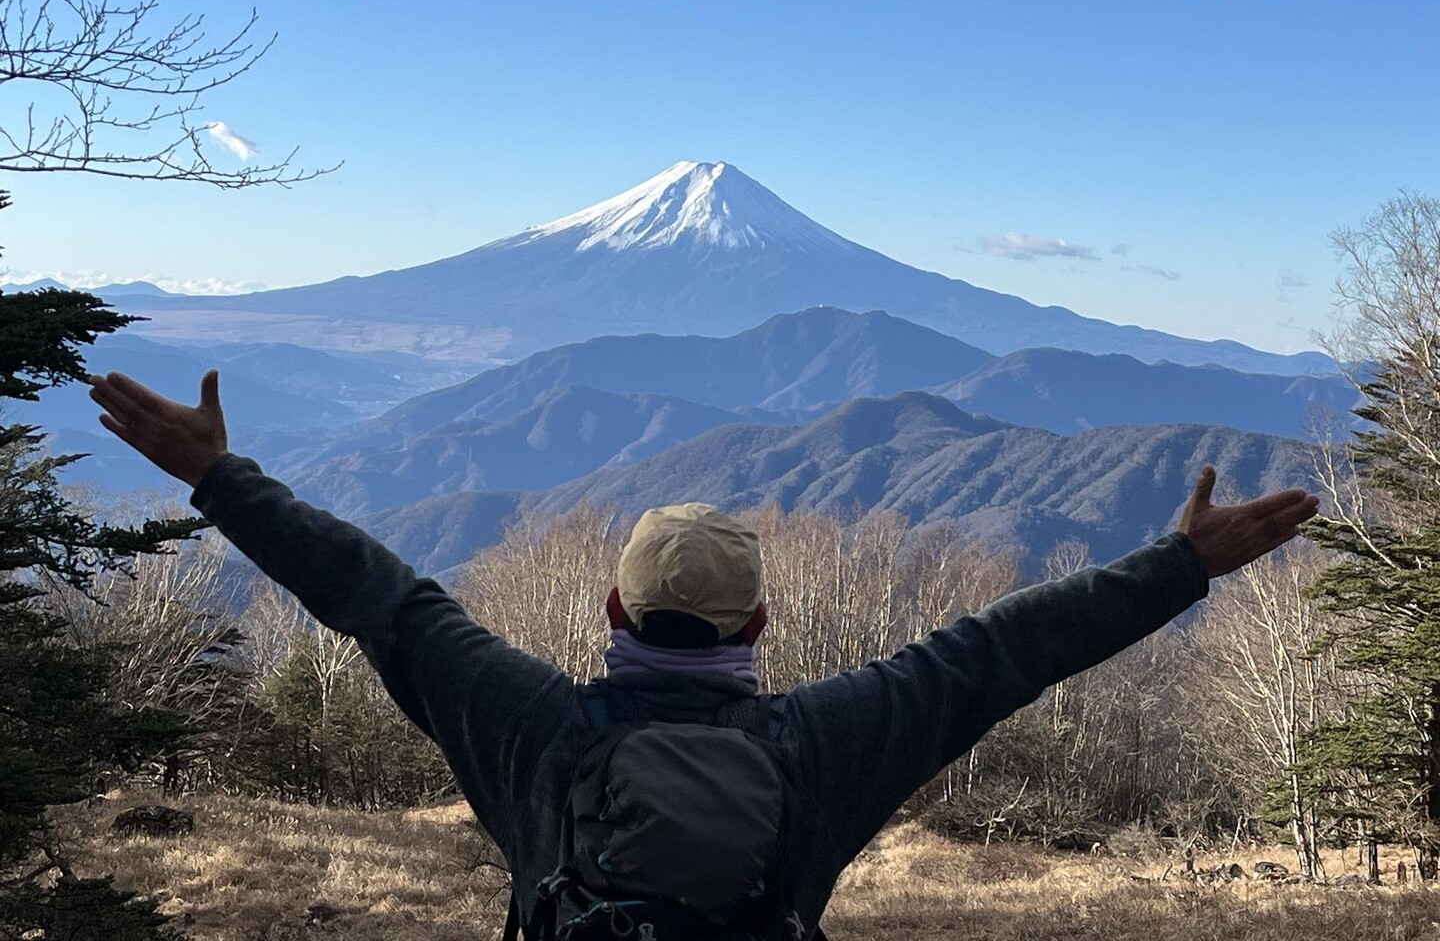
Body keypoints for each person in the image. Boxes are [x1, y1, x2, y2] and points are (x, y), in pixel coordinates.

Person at [89, 369, 1319, 940]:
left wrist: (219, 478)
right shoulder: (830, 745)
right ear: (762, 629)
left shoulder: (527, 728)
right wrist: (1183, 565)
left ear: (612, 617)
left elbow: (380, 600)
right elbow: (1005, 649)